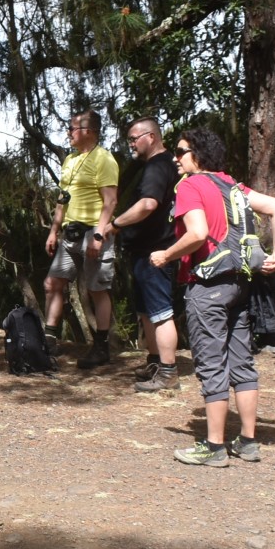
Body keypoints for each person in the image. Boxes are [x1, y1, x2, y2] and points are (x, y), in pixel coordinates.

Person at [149, 126, 275, 467]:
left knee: (211, 364)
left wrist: (165, 256)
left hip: (208, 287)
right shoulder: (233, 186)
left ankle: (214, 446)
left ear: (197, 155)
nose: (175, 158)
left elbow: (197, 234)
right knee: (242, 362)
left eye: (180, 152)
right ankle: (249, 441)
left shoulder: (191, 185)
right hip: (240, 284)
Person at [108, 117, 182, 391]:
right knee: (146, 311)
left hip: (156, 251)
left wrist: (115, 224)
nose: (130, 145)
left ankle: (168, 372)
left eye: (133, 138)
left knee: (160, 312)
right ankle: (155, 361)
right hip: (144, 250)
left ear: (151, 137)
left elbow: (148, 204)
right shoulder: (162, 165)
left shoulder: (158, 166)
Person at [43, 109, 120, 368]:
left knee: (97, 289)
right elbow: (62, 200)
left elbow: (110, 201)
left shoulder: (104, 159)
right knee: (53, 283)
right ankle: (49, 339)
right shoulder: (70, 161)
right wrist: (54, 230)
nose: (68, 132)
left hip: (93, 232)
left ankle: (101, 347)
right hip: (70, 233)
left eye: (73, 127)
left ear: (88, 130)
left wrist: (99, 235)